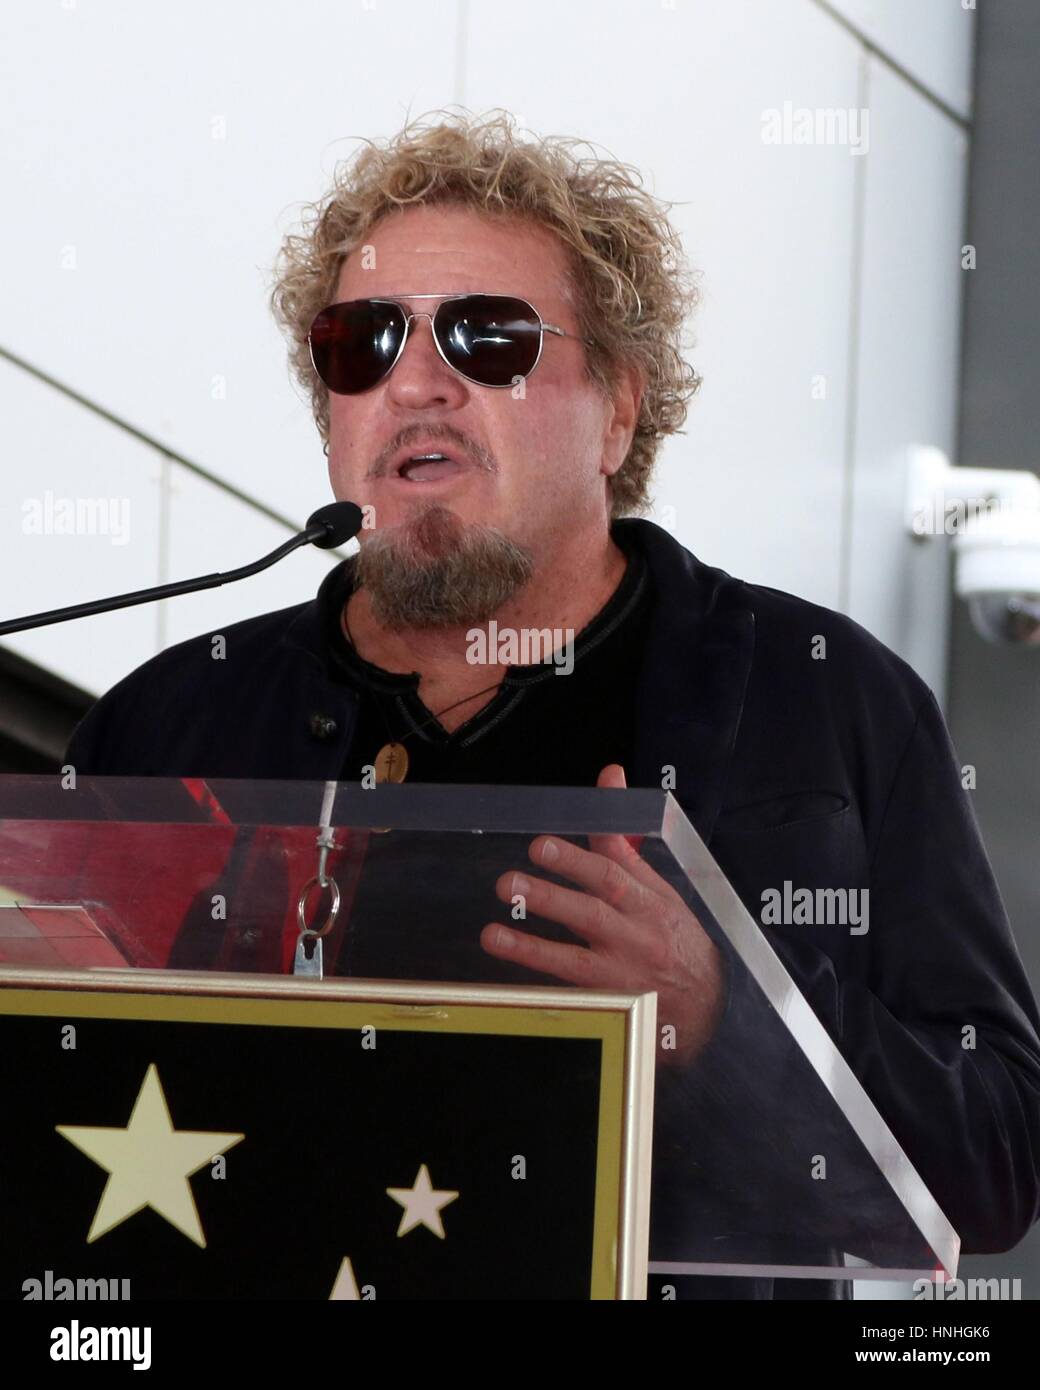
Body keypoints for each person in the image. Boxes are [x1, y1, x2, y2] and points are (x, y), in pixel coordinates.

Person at [64, 111, 1040, 1300]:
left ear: (618, 409)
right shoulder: (167, 725)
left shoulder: (823, 695)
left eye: (488, 337)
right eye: (360, 341)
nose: (414, 381)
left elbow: (994, 1156)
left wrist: (725, 1017)